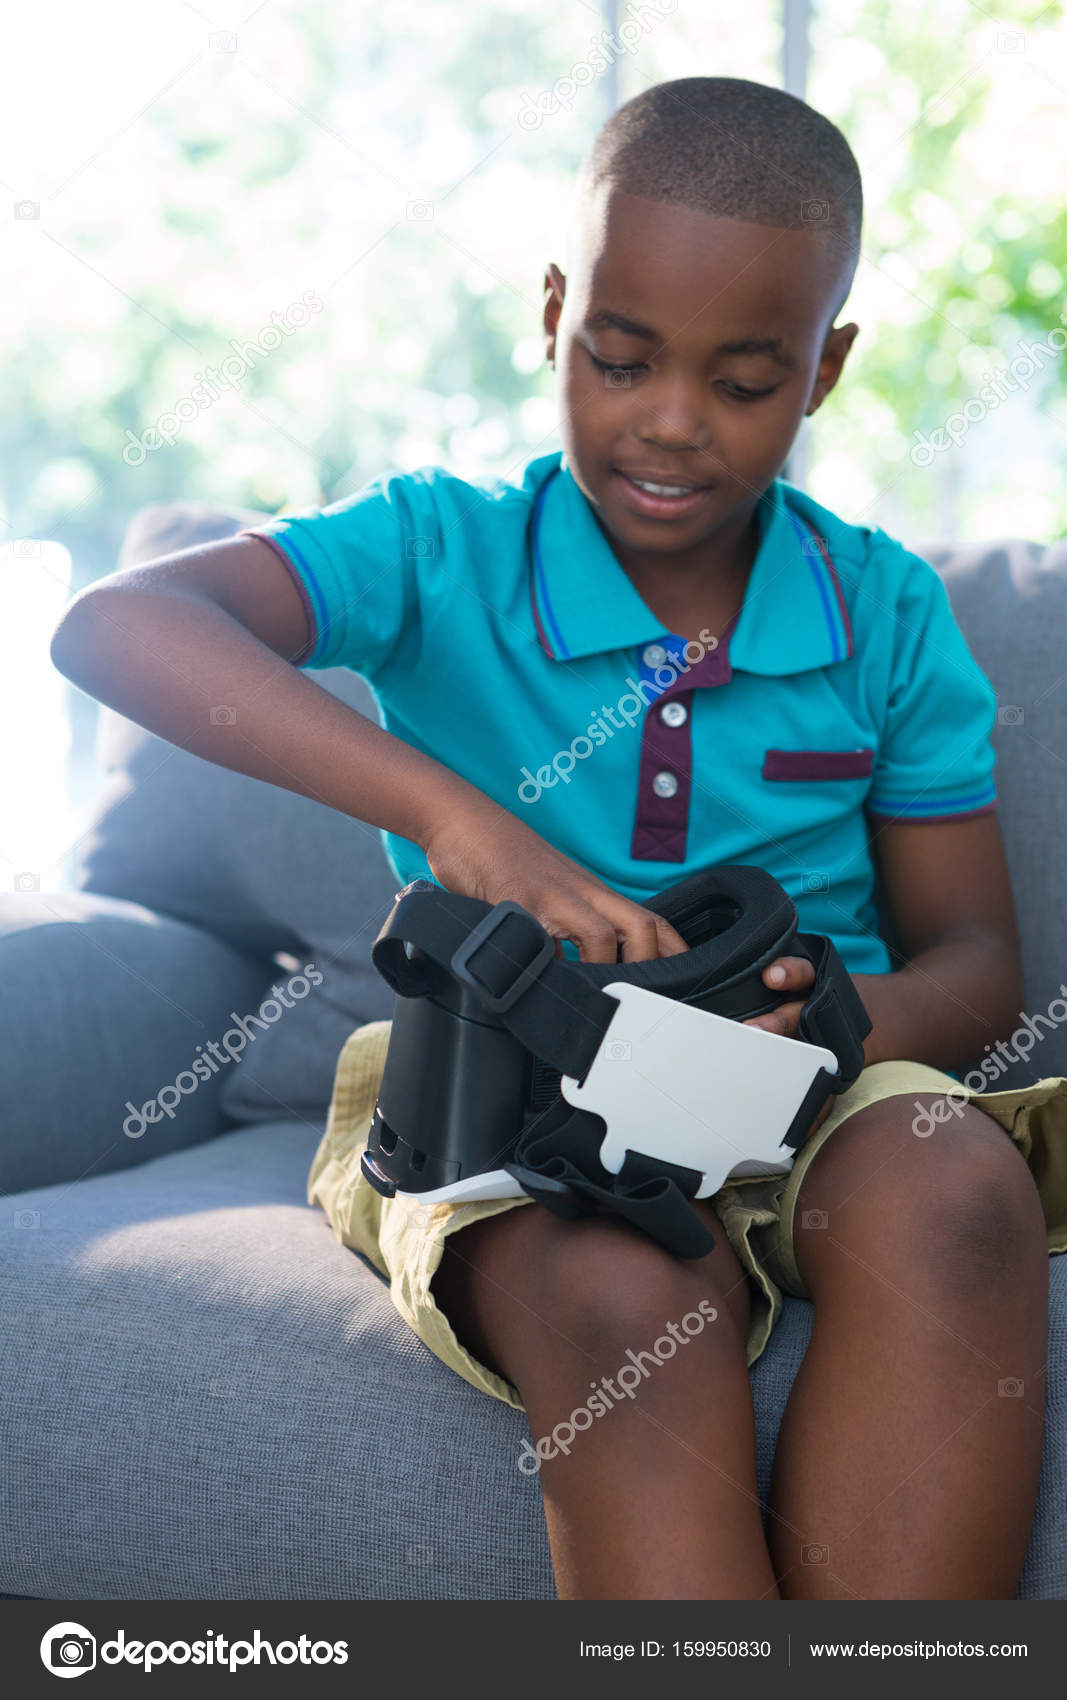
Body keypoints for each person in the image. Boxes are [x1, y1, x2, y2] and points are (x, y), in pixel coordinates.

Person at [51, 76, 1067, 1603]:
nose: (670, 423)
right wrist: (455, 818)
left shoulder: (886, 615)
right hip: (508, 1086)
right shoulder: (435, 548)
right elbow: (117, 627)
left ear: (827, 368)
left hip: (817, 1085)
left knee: (955, 1183)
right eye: (619, 356)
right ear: (551, 316)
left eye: (744, 380)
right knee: (621, 1279)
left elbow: (978, 958)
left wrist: (830, 1028)